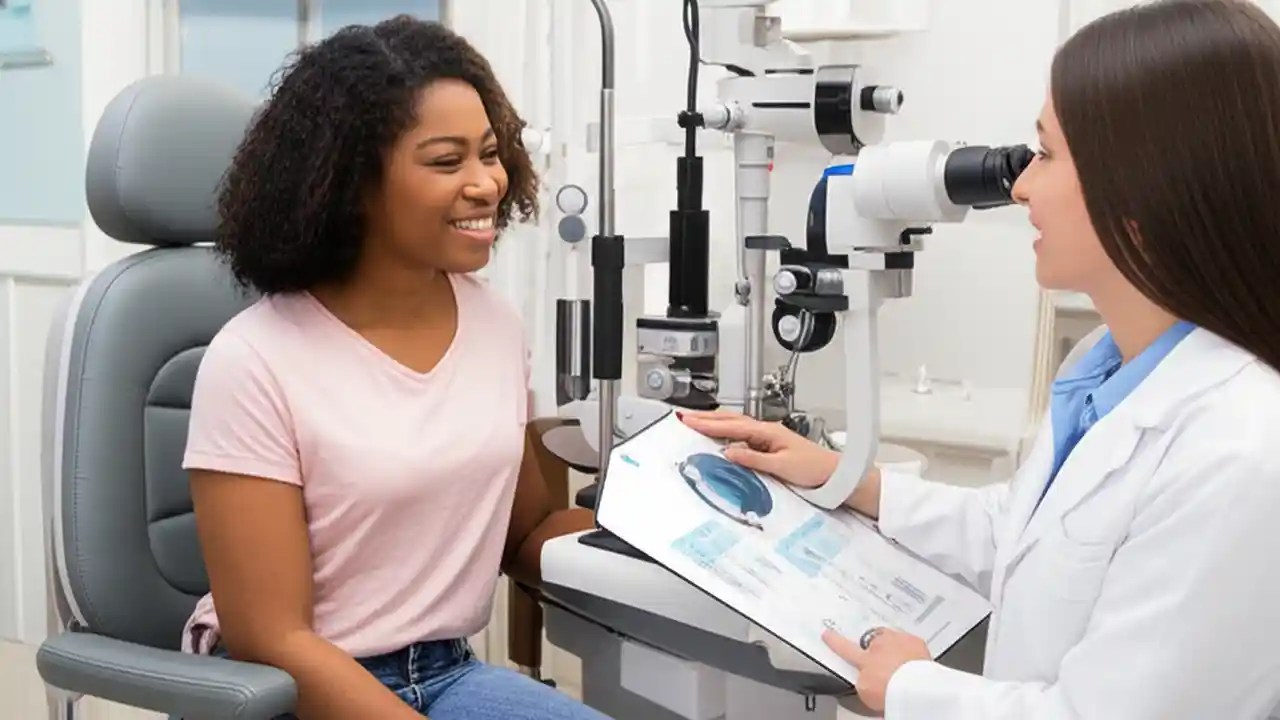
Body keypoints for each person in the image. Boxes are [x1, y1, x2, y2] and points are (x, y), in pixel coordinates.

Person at [682, 1, 1280, 717]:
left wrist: (911, 688)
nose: (1022, 186)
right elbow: (1030, 536)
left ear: (1148, 187)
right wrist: (849, 481)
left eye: (1048, 155)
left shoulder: (1240, 454)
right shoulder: (1108, 365)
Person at [182, 16, 607, 720]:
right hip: (288, 691)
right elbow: (271, 637)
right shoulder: (254, 359)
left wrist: (673, 549)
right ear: (349, 183)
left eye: (491, 154)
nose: (487, 185)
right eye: (447, 162)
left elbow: (526, 533)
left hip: (446, 675)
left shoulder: (496, 326)